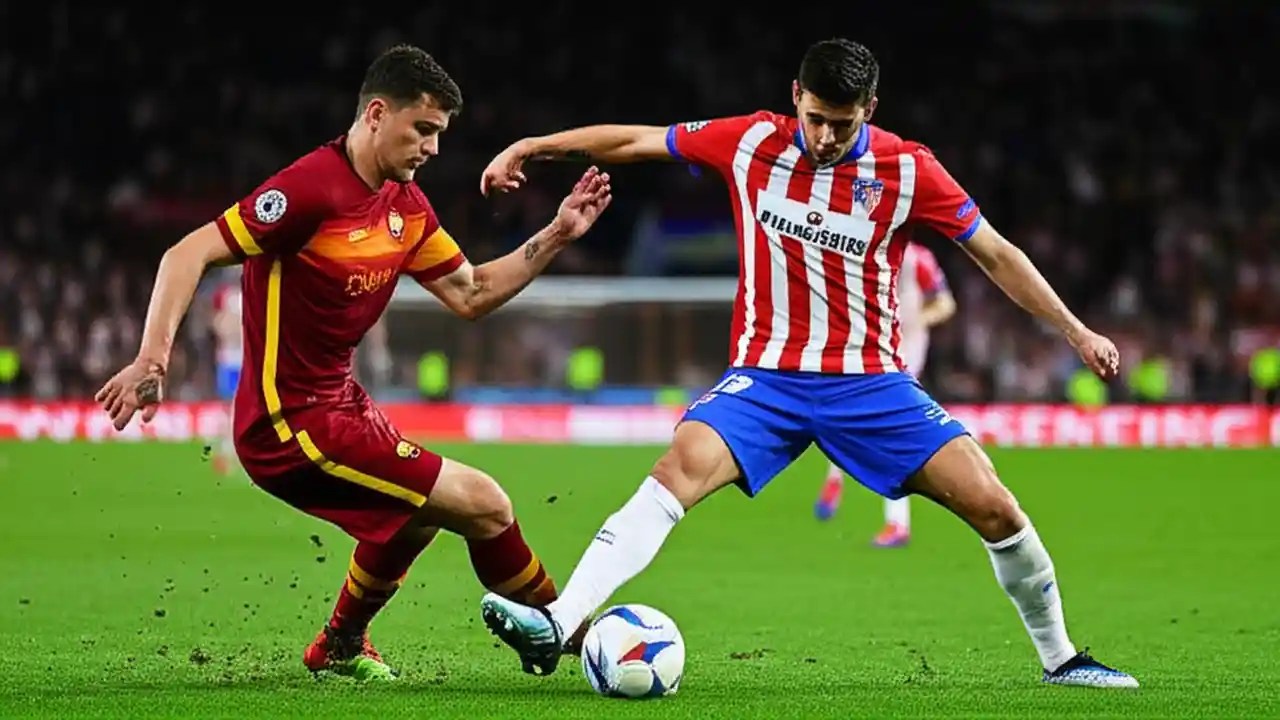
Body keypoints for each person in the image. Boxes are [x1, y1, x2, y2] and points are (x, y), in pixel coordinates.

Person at [476, 38, 1137, 688]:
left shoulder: (909, 170)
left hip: (870, 384)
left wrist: (1074, 331)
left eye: (841, 123)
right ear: (796, 97)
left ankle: (1062, 660)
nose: (823, 136)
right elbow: (637, 141)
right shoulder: (750, 142)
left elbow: (995, 253)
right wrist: (535, 147)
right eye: (815, 117)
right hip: (765, 380)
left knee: (995, 506)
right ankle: (559, 624)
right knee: (675, 470)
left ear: (870, 109)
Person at [93, 44, 613, 682]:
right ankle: (571, 634)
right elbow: (186, 252)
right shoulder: (310, 189)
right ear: (375, 115)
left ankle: (339, 646)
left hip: (344, 407)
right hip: (286, 425)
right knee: (486, 504)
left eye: (440, 134)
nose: (433, 148)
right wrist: (153, 358)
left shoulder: (407, 206)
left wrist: (558, 233)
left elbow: (472, 293)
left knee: (422, 514)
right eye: (423, 129)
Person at [814, 240, 955, 548]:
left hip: (905, 348)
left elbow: (945, 303)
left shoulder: (918, 258)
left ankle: (895, 520)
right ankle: (837, 480)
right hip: (871, 345)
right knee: (851, 410)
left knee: (886, 423)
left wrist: (916, 320)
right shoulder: (861, 249)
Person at [210, 270, 243, 475]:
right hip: (230, 360)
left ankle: (231, 451)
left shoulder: (251, 293)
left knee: (241, 407)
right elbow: (217, 324)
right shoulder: (226, 296)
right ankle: (227, 451)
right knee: (231, 407)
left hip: (246, 359)